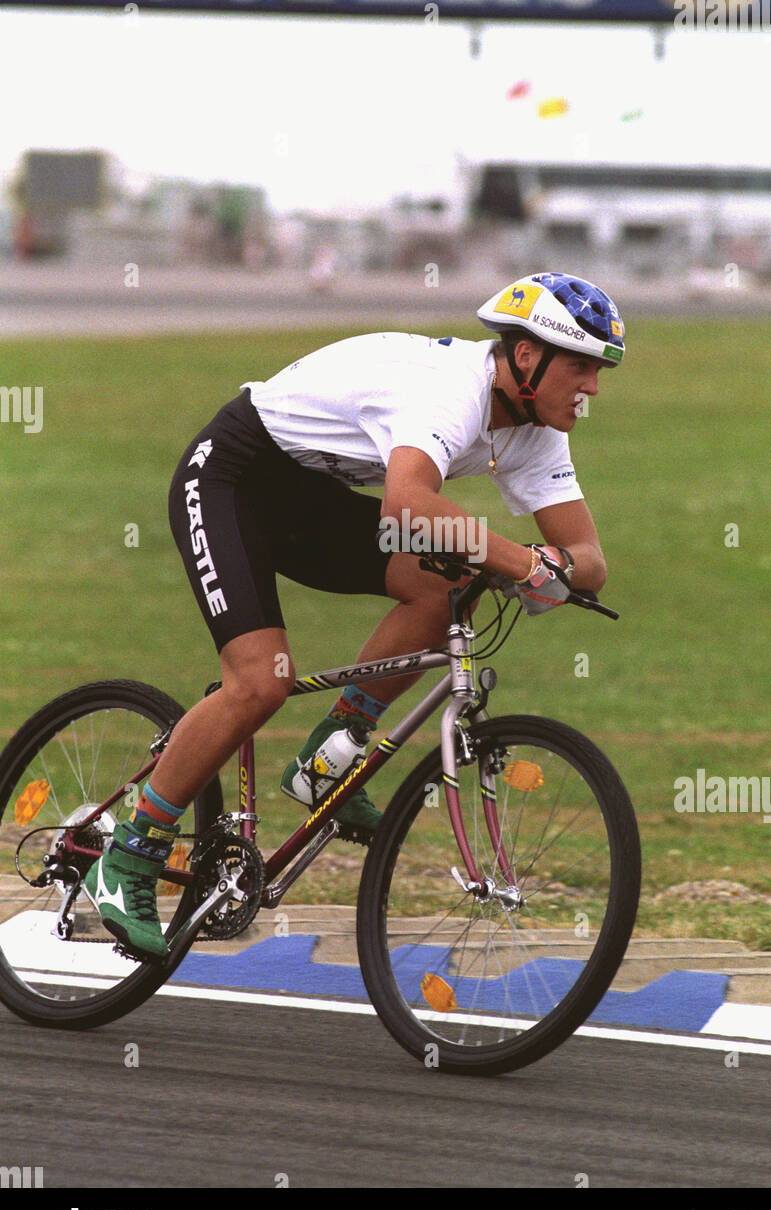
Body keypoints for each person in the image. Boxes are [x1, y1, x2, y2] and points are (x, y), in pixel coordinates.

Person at [84, 272, 626, 960]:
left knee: (451, 583)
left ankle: (330, 754)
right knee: (260, 681)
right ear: (527, 357)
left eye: (600, 370)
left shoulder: (536, 430)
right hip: (231, 476)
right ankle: (129, 854)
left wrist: (547, 566)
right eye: (581, 367)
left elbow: (590, 557)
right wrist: (524, 562)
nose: (594, 387)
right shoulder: (451, 389)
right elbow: (407, 503)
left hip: (307, 498)